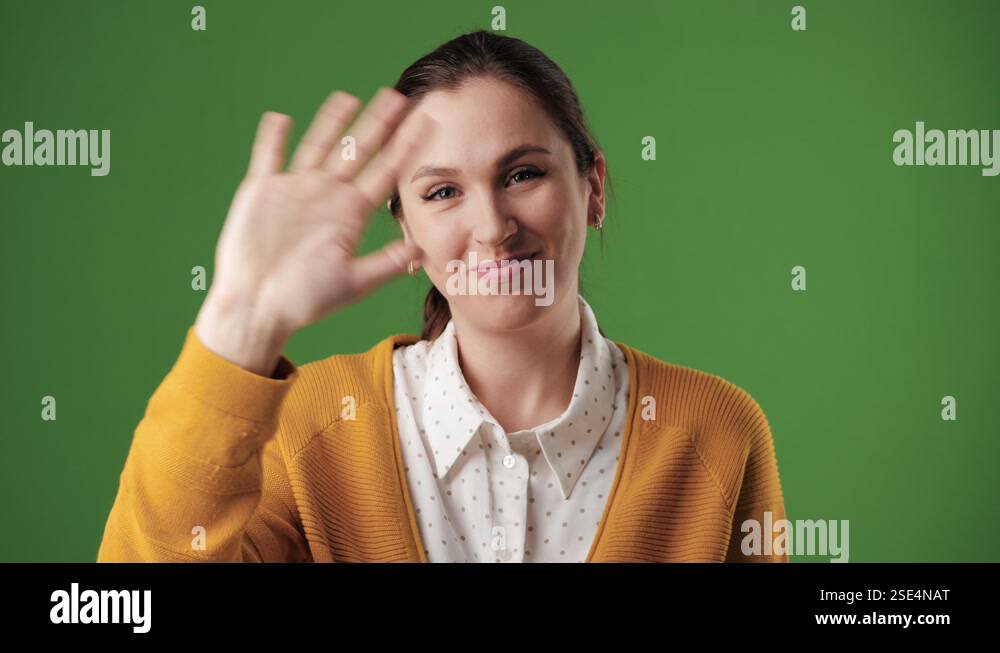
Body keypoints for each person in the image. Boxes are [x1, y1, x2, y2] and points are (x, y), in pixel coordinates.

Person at [97, 30, 787, 563]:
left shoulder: (719, 432)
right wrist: (239, 324)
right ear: (404, 224)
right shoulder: (310, 428)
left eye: (521, 173)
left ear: (594, 186)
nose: (492, 227)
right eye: (442, 192)